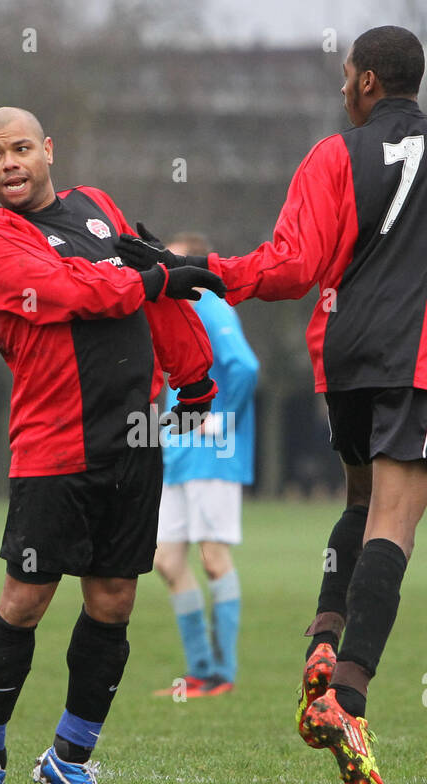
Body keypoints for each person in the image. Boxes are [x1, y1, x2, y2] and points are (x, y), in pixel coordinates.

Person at [117, 26, 427, 784]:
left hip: (346, 359)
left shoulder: (332, 156)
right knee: (397, 520)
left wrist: (200, 272)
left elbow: (290, 269)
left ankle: (325, 635)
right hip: (422, 359)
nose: (342, 88)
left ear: (364, 83)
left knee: (359, 502)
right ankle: (347, 696)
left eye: (344, 76)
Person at [0, 106, 224, 784]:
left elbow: (155, 279)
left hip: (133, 438)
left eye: (20, 148)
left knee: (114, 600)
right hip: (53, 444)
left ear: (48, 150)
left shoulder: (99, 205)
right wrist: (148, 281)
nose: (9, 162)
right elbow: (73, 292)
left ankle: (70, 758)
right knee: (25, 599)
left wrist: (194, 374)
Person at [151, 232, 259, 699]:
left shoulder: (209, 302)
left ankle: (223, 673)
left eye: (174, 262)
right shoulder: (175, 313)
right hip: (178, 453)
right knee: (167, 559)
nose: (166, 271)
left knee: (213, 559)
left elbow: (245, 366)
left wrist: (220, 419)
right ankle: (199, 670)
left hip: (212, 453)